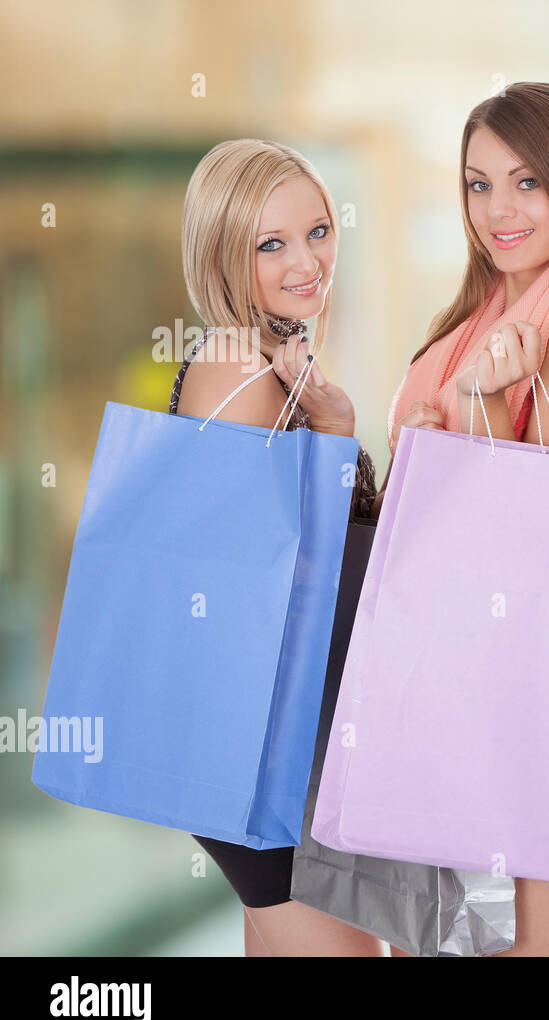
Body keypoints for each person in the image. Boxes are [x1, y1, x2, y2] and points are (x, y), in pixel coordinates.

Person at [384, 83, 549, 956]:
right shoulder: (473, 328)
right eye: (478, 183)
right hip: (461, 671)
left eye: (526, 182)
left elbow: (531, 546)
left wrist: (472, 415)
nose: (497, 210)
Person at [170, 138, 384, 956]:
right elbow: (259, 582)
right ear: (224, 253)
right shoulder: (237, 364)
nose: (308, 262)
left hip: (265, 732)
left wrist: (332, 432)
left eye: (319, 231)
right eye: (272, 244)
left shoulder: (273, 360)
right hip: (256, 743)